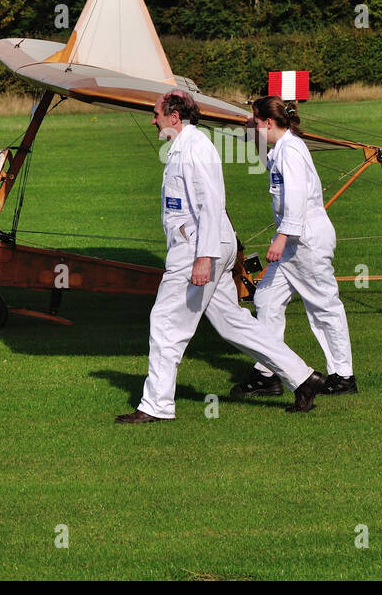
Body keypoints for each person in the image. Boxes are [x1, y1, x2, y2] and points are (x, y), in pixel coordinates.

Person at [116, 90, 326, 423]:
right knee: (234, 325)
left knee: (166, 323)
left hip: (198, 249)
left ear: (174, 117)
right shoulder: (184, 147)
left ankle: (155, 406)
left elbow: (210, 204)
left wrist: (204, 258)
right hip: (207, 245)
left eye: (156, 113)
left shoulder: (196, 149)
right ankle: (302, 378)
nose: (152, 119)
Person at [230, 95, 357, 398]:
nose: (255, 127)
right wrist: (252, 134)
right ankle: (268, 374)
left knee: (323, 306)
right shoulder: (282, 148)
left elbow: (297, 197)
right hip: (292, 243)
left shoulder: (292, 152)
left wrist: (282, 237)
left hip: (305, 241)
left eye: (257, 123)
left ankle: (343, 375)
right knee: (267, 302)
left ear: (269, 123)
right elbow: (269, 162)